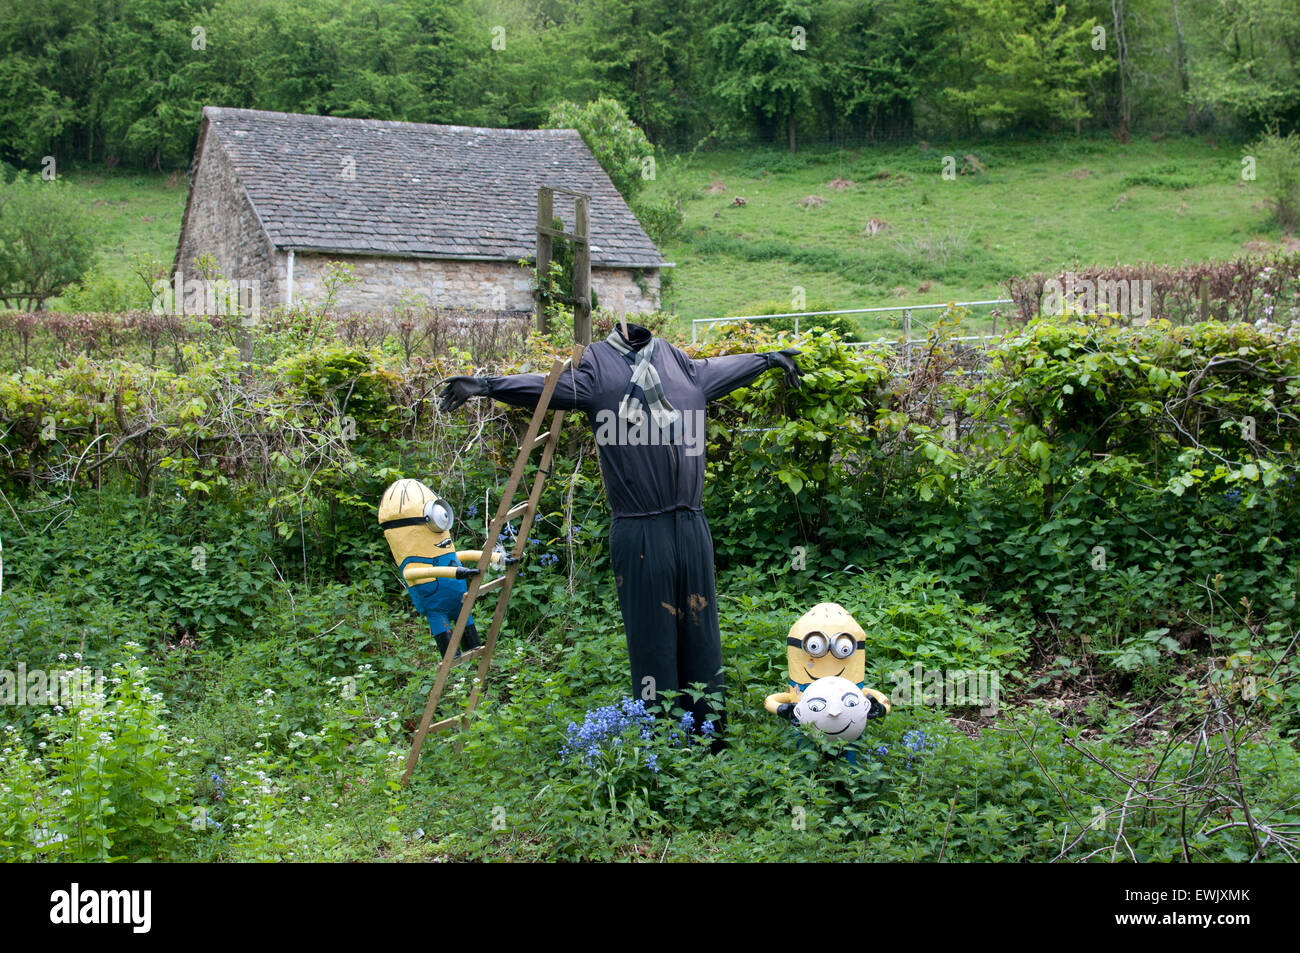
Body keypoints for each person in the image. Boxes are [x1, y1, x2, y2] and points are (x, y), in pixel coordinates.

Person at [439, 321, 802, 746]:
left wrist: (767, 360)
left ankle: (710, 735)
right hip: (640, 528)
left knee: (701, 631)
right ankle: (663, 739)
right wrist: (485, 385)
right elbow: (545, 386)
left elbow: (716, 370)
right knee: (653, 636)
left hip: (690, 524)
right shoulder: (599, 369)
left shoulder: (678, 364)